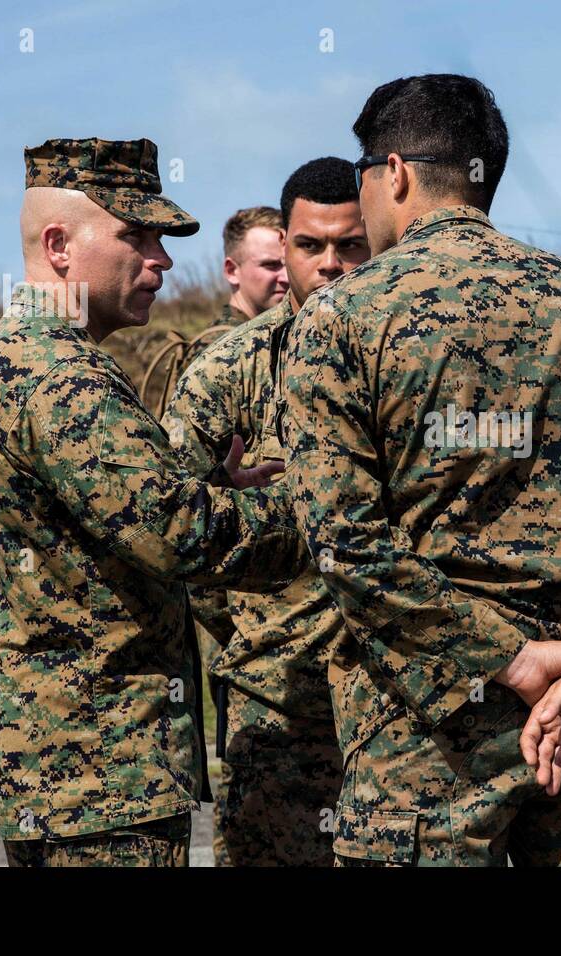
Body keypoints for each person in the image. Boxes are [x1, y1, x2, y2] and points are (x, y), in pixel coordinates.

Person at [283, 74, 561, 866]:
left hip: (428, 746)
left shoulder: (341, 321)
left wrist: (515, 662)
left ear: (395, 173)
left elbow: (346, 545)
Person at [0, 137, 301, 867]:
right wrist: (316, 513)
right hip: (105, 771)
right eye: (135, 236)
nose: (161, 260)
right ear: (58, 245)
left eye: (160, 240)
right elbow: (175, 535)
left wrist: (208, 492)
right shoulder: (62, 375)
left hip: (52, 763)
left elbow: (101, 525)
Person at [162, 157, 370, 865]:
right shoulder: (231, 368)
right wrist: (246, 631)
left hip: (401, 698)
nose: (331, 266)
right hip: (278, 697)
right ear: (285, 247)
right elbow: (170, 527)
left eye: (352, 246)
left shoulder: (426, 353)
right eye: (311, 248)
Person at [139, 206, 287, 417]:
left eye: (288, 264)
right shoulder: (220, 349)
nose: (286, 277)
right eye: (270, 265)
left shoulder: (271, 338)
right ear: (232, 271)